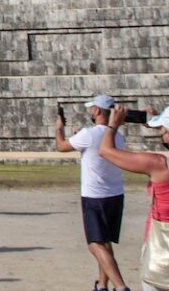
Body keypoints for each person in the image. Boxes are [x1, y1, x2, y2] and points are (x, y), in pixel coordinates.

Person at [56, 94, 130, 291]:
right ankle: (102, 284)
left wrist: (58, 127)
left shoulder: (89, 134)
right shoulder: (118, 136)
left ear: (97, 111)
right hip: (115, 194)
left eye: (91, 108)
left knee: (95, 245)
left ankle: (121, 287)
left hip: (94, 196)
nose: (90, 111)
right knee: (105, 244)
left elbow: (61, 146)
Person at [100, 104, 169, 291]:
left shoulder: (159, 165)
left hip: (161, 250)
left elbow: (105, 151)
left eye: (163, 129)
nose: (161, 133)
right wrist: (157, 120)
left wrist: (113, 124)